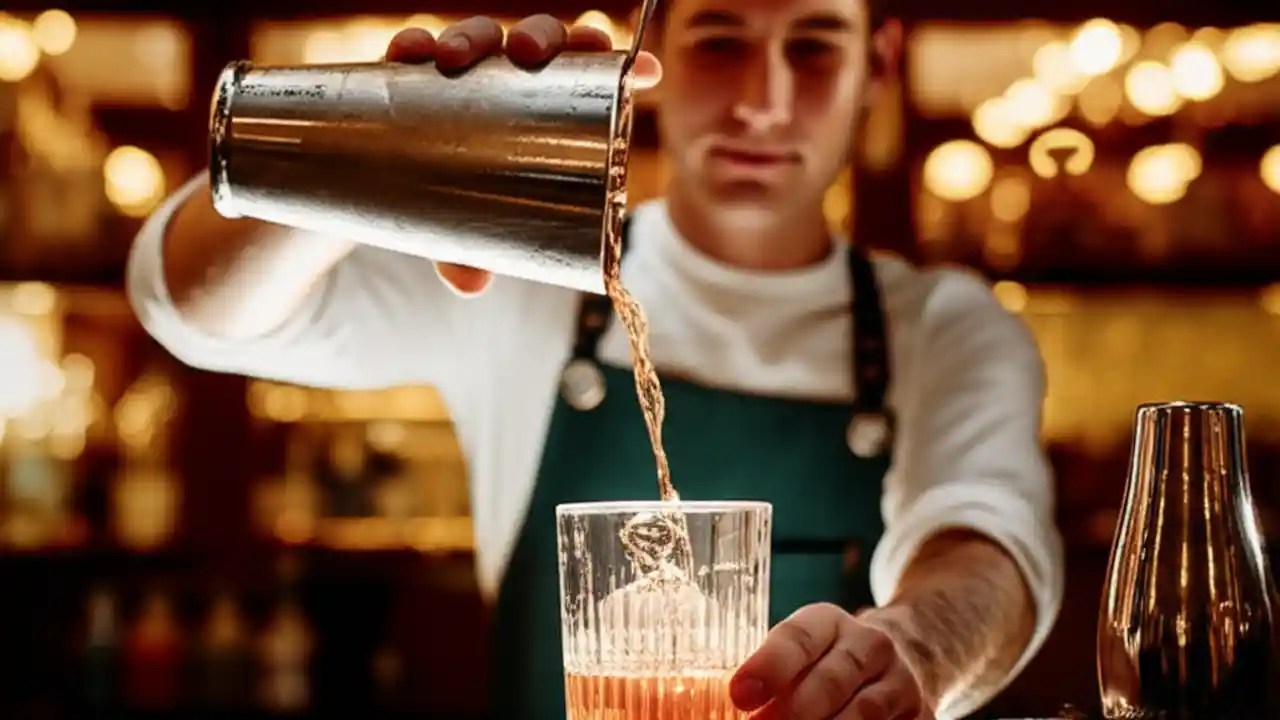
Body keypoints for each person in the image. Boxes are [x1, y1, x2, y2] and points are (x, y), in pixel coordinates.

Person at [127, 1, 1064, 718]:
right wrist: (382, 136)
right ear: (651, 57)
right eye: (720, 41)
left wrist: (911, 649)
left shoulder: (945, 326)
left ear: (878, 64)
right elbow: (190, 307)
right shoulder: (522, 272)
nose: (762, 102)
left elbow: (987, 549)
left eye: (813, 47)